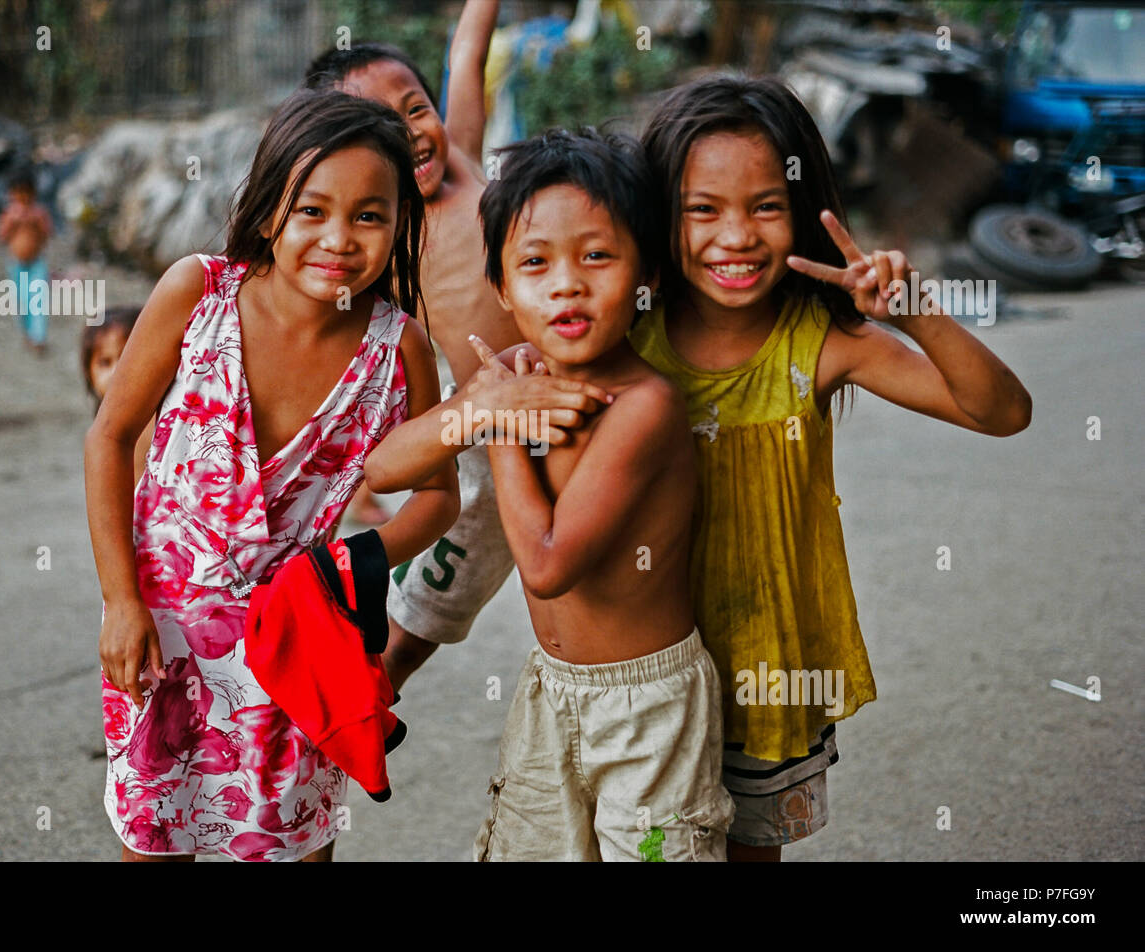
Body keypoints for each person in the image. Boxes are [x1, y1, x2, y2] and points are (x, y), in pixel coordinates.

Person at [631, 75, 1033, 861]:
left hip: (771, 668)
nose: (735, 236)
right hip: (642, 670)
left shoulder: (820, 341)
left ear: (807, 209)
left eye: (766, 206)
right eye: (701, 209)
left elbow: (1001, 412)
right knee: (645, 849)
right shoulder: (625, 326)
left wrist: (911, 306)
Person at [84, 88, 459, 863]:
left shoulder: (400, 350)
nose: (339, 238)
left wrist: (342, 569)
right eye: (312, 210)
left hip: (295, 650)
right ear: (267, 213)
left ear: (399, 228)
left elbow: (438, 498)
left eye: (369, 215)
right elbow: (110, 435)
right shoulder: (198, 294)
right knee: (154, 840)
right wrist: (121, 600)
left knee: (290, 846)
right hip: (162, 629)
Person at [369, 128, 735, 861]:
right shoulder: (511, 373)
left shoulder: (644, 405)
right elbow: (384, 468)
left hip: (649, 708)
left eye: (597, 256)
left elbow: (546, 563)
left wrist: (500, 428)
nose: (566, 283)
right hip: (552, 690)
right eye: (535, 263)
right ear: (502, 287)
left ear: (648, 276)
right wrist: (482, 405)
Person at [307, 1, 604, 690]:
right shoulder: (384, 228)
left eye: (414, 109)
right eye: (380, 128)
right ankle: (366, 697)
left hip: (564, 399)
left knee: (577, 561)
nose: (410, 133)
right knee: (427, 611)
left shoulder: (466, 158)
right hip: (483, 427)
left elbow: (467, 52)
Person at [81, 305, 153, 483]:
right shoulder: (102, 425)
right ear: (88, 372)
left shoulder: (156, 421)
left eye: (126, 358)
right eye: (105, 362)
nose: (116, 372)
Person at [0, 169, 53, 355]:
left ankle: (38, 337)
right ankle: (28, 334)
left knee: (37, 300)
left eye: (25, 192)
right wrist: (13, 223)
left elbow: (47, 233)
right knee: (21, 301)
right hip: (17, 264)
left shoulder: (39, 212)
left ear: (33, 192)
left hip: (36, 263)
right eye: (17, 193)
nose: (22, 197)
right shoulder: (9, 213)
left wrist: (35, 223)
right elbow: (2, 237)